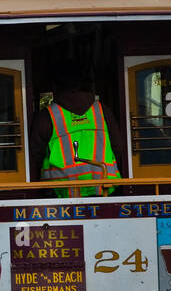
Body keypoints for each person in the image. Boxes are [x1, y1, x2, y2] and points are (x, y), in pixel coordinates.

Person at [30, 59, 124, 198]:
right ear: (84, 84)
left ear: (54, 86)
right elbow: (118, 148)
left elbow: (35, 156)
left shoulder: (46, 116)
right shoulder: (103, 111)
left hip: (62, 193)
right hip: (103, 190)